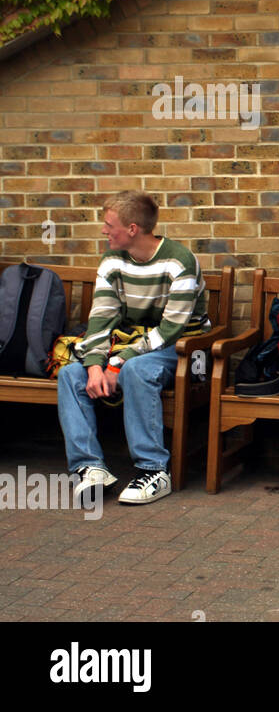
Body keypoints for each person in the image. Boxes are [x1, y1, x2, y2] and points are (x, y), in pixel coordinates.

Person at [59, 190, 208, 505]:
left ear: (132, 229)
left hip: (185, 349)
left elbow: (171, 330)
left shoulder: (179, 261)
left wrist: (119, 362)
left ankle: (153, 469)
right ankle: (90, 467)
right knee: (71, 374)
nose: (103, 230)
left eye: (108, 224)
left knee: (137, 370)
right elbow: (100, 319)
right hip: (133, 344)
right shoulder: (112, 260)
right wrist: (96, 365)